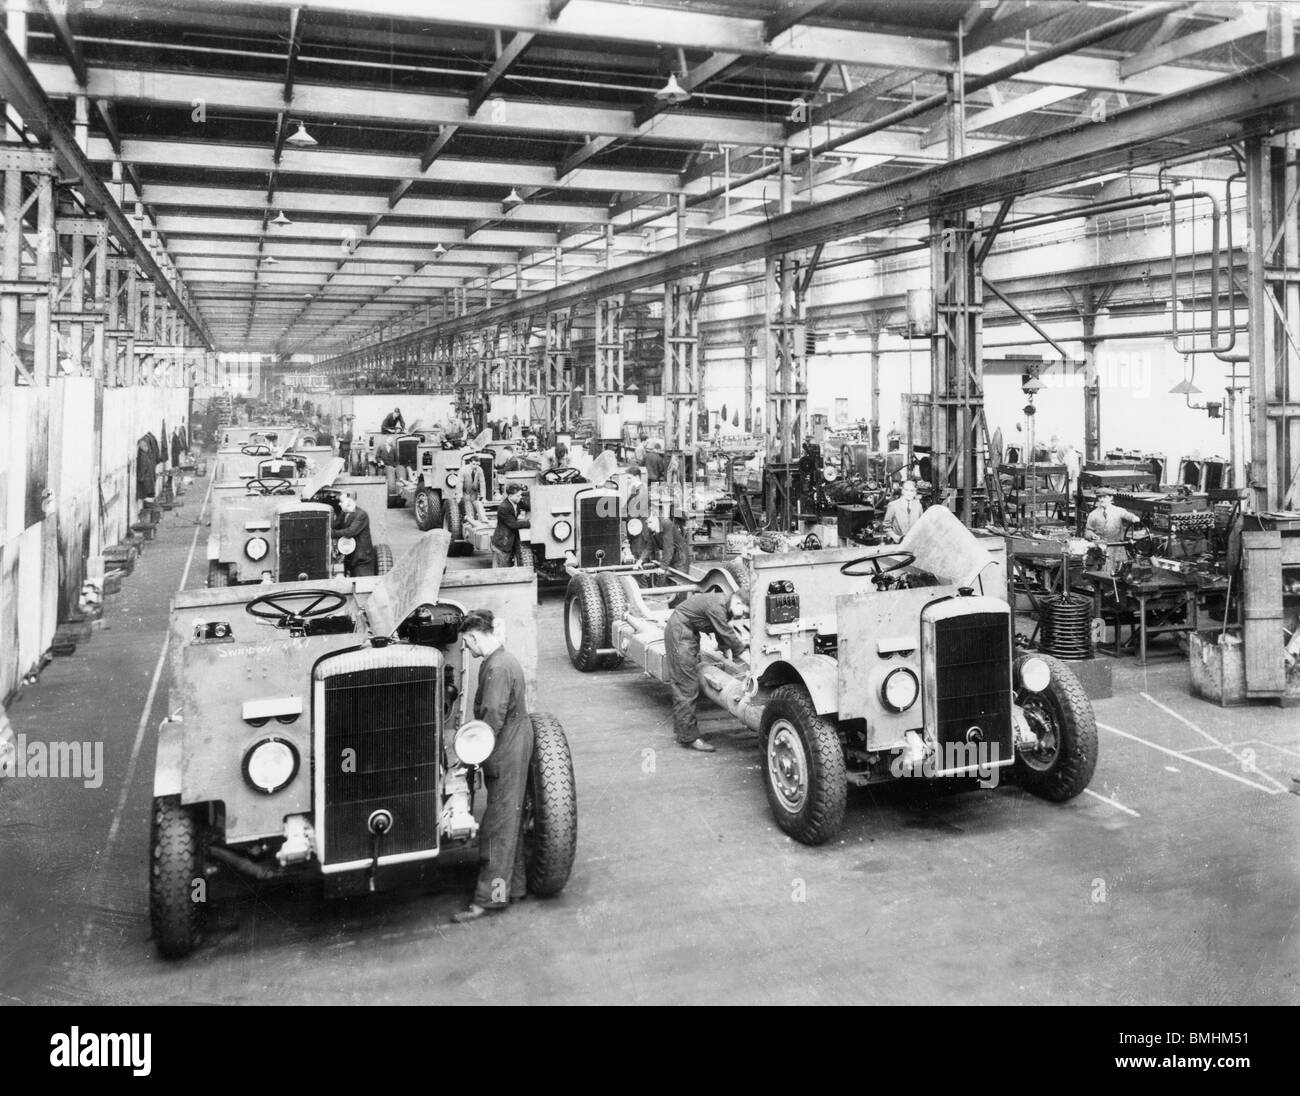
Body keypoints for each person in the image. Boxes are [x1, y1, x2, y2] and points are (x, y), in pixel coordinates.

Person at [452, 610, 534, 923]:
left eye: (467, 643)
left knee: (496, 827)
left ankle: (490, 898)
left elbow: (491, 717)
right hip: (513, 743)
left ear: (474, 636)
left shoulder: (497, 667)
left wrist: (469, 755)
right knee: (509, 820)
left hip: (505, 748)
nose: (468, 650)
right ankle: (514, 888)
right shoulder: (503, 660)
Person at [664, 590, 749, 752]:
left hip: (686, 631)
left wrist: (725, 652)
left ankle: (684, 731)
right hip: (680, 633)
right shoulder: (717, 605)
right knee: (686, 686)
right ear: (738, 602)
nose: (743, 617)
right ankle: (689, 737)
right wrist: (750, 661)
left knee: (686, 682)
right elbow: (728, 633)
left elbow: (721, 631)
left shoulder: (725, 604)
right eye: (744, 612)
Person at [1085, 486, 1141, 570]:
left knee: (1120, 571)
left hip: (1117, 548)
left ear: (1111, 498)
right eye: (1100, 497)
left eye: (1104, 497)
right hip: (1101, 549)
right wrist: (1092, 535)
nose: (1102, 500)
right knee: (1102, 573)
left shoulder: (1118, 511)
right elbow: (1088, 531)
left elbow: (1128, 515)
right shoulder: (1093, 514)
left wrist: (1134, 518)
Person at [331, 493, 376, 577]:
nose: (339, 504)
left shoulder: (361, 515)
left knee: (361, 583)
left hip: (361, 559)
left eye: (341, 501)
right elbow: (335, 525)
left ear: (349, 502)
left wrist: (332, 533)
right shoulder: (344, 513)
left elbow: (350, 532)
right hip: (351, 555)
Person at [491, 483, 530, 568]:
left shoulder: (517, 502)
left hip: (509, 541)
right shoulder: (503, 508)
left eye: (520, 495)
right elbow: (513, 524)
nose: (520, 497)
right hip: (502, 544)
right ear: (510, 496)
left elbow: (528, 507)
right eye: (518, 496)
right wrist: (530, 523)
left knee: (507, 568)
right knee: (501, 572)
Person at [460, 453, 488, 525]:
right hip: (465, 491)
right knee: (467, 505)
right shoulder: (463, 470)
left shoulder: (479, 470)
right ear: (470, 463)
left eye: (477, 464)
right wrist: (459, 496)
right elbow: (459, 483)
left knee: (476, 504)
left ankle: (482, 520)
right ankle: (469, 522)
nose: (475, 466)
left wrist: (483, 496)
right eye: (474, 464)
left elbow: (482, 482)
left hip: (474, 492)